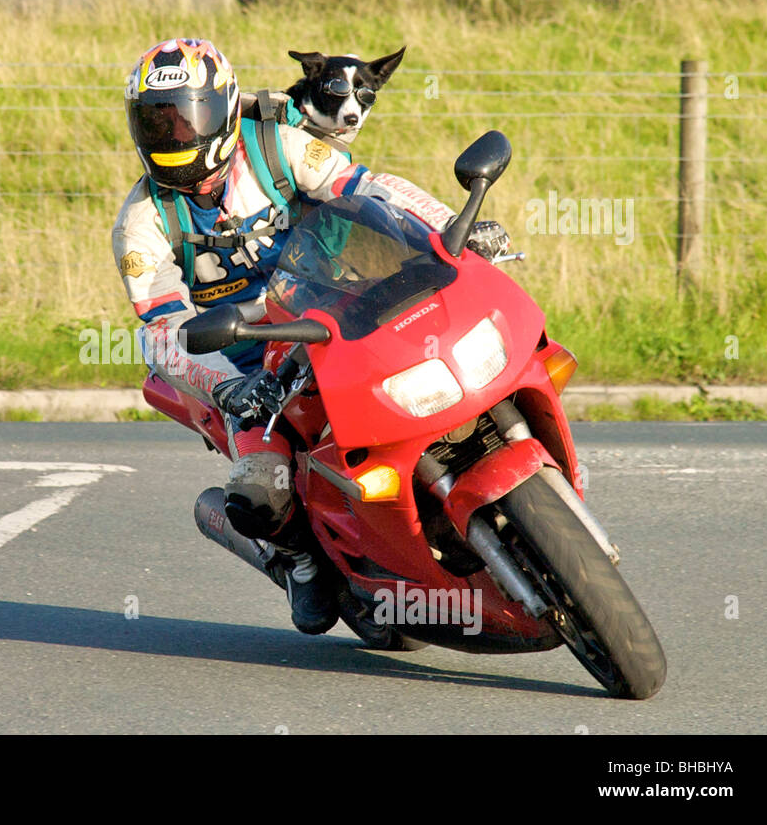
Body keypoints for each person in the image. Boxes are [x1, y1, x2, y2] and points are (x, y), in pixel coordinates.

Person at [111, 38, 508, 635]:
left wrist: (450, 231)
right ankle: (298, 558)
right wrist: (225, 390)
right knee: (259, 489)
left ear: (222, 108)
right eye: (157, 121)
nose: (175, 134)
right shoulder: (142, 220)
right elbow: (162, 329)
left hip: (336, 313)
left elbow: (369, 188)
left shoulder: (276, 145)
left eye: (185, 116)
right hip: (247, 362)